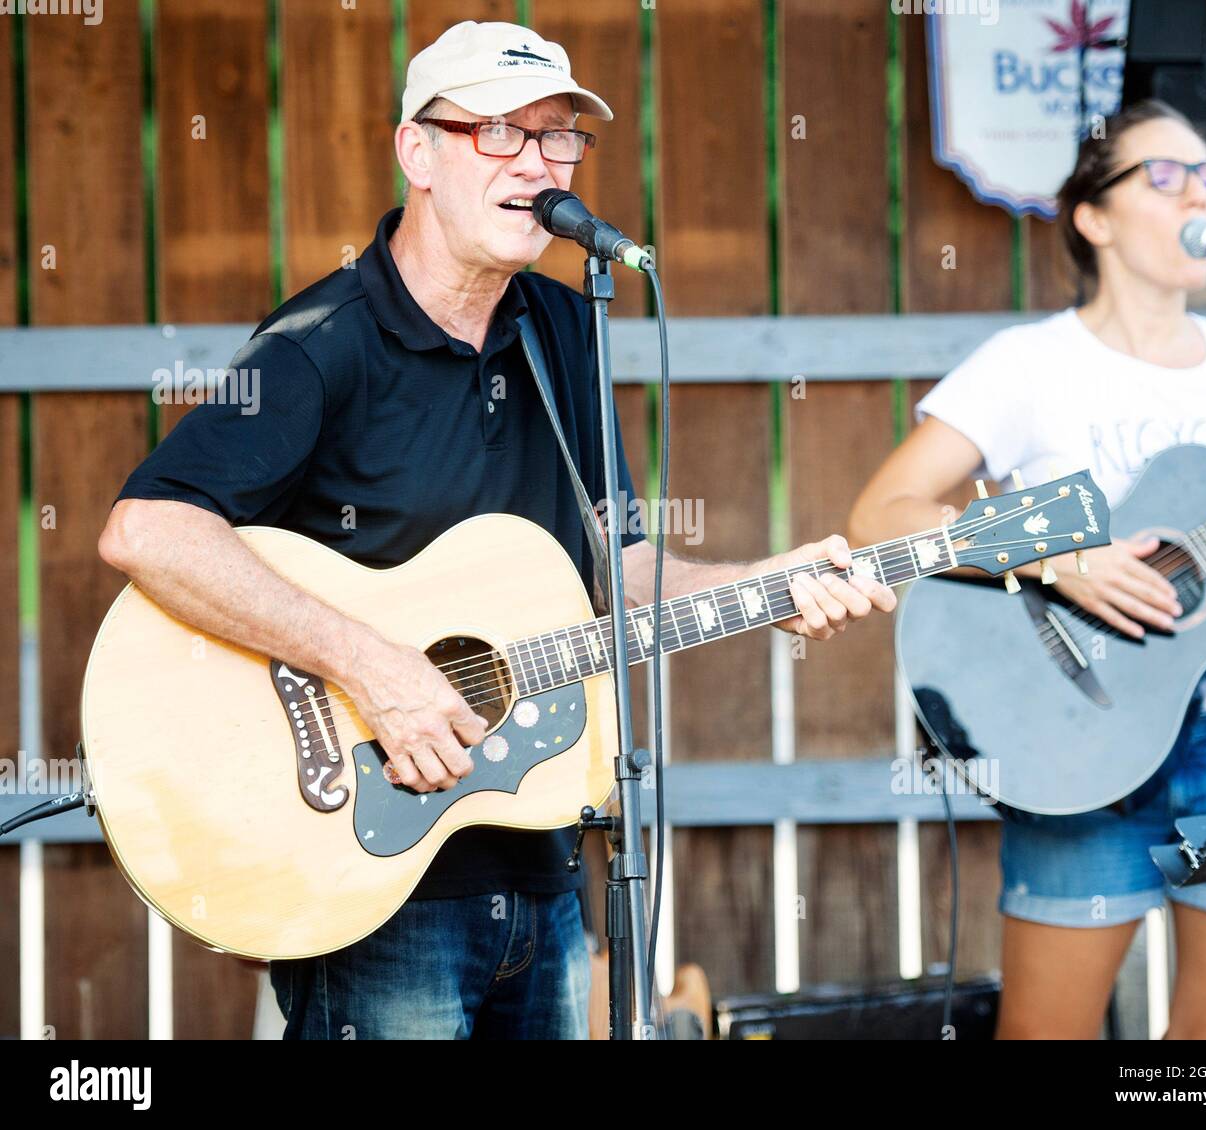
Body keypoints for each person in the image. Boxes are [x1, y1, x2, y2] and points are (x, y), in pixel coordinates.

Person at [97, 19, 895, 1040]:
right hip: (374, 878)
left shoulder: (566, 327)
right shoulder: (318, 345)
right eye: (499, 134)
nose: (537, 163)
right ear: (416, 151)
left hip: (540, 859)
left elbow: (619, 567)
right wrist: (375, 666)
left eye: (558, 136)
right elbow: (148, 529)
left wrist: (766, 585)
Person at [849, 99, 1206, 1039]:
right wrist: (1063, 555)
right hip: (1076, 737)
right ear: (1094, 217)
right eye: (1165, 175)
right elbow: (881, 518)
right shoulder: (1029, 366)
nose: (1199, 194)